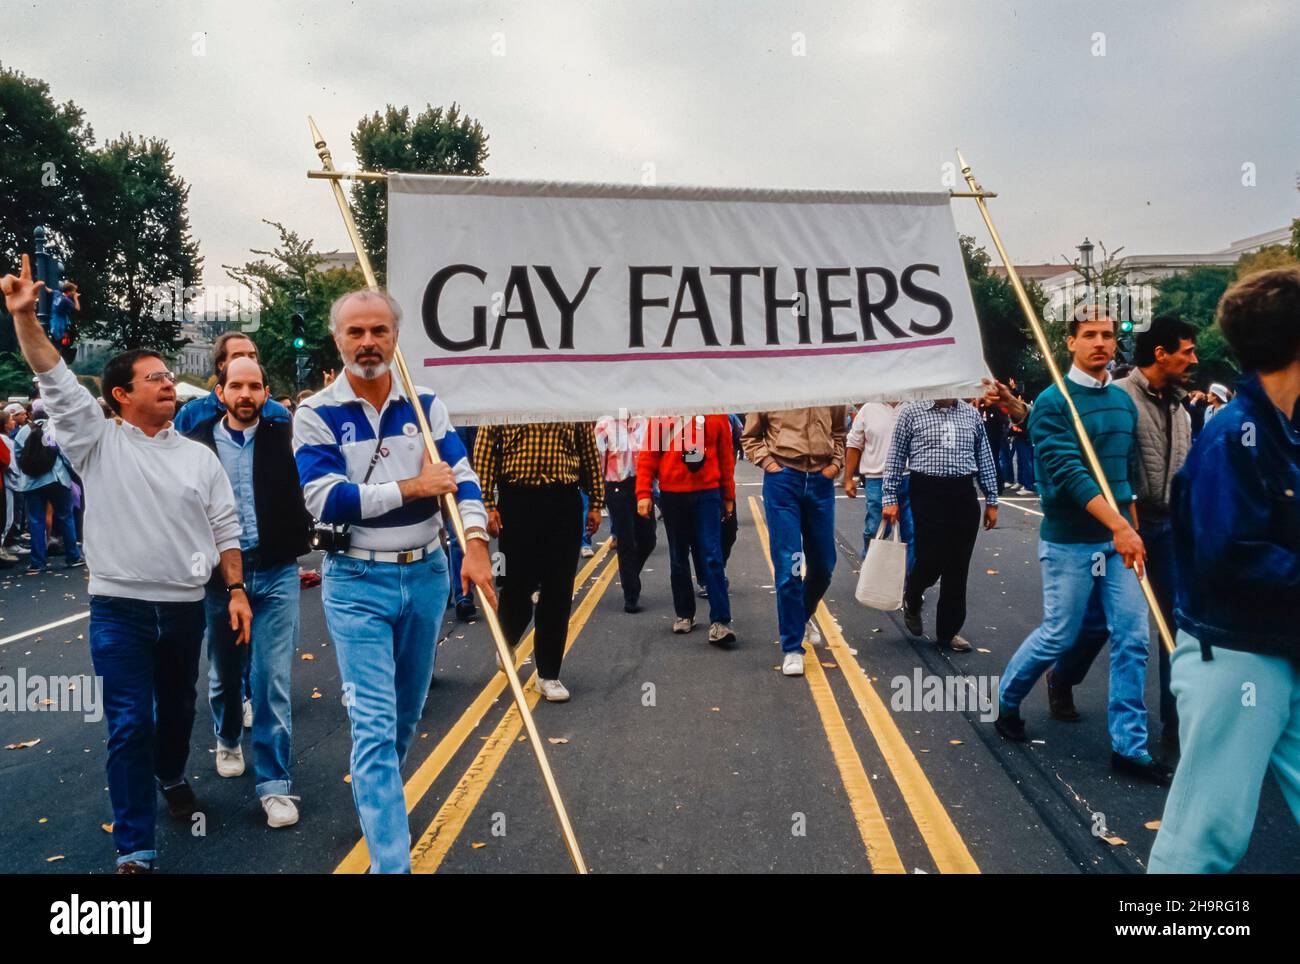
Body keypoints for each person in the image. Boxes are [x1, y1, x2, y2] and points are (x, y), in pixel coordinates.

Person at [2, 254, 251, 873]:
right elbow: (55, 375)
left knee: (178, 713)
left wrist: (237, 589)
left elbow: (225, 526)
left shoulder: (198, 458)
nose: (170, 383)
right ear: (120, 394)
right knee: (129, 723)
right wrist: (25, 317)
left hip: (186, 608)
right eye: (156, 377)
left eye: (171, 376)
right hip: (119, 610)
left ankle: (171, 773)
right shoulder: (95, 439)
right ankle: (134, 847)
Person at [294, 288, 495, 873]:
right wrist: (411, 488)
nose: (367, 342)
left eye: (378, 331)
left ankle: (375, 801)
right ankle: (392, 864)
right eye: (355, 332)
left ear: (395, 337)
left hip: (428, 573)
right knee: (376, 725)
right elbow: (327, 500)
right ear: (338, 340)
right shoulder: (315, 413)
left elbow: (460, 477)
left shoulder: (425, 403)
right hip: (357, 579)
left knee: (405, 718)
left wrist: (476, 546)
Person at [1148, 267, 1300, 872]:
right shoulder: (1234, 437)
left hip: (1281, 645)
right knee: (1204, 837)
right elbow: (1229, 555)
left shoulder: (1282, 431)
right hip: (1237, 656)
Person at [994, 306, 1171, 784]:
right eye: (1089, 334)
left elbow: (1126, 476)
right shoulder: (1053, 404)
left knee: (1133, 640)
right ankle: (1008, 701)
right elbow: (1070, 473)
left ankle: (1129, 748)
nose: (1100, 343)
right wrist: (1120, 526)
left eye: (1108, 335)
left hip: (1119, 542)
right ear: (1069, 343)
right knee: (1061, 633)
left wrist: (1131, 529)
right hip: (1071, 542)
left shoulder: (1121, 402)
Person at [1047, 315, 1198, 745]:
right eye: (1186, 351)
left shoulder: (1180, 406)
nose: (1193, 360)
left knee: (1175, 622)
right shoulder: (1117, 396)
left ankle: (1176, 724)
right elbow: (1078, 446)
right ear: (1160, 354)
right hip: (1121, 523)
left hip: (1167, 526)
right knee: (1099, 620)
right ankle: (1062, 677)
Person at [184, 357, 314, 828]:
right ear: (219, 392)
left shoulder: (288, 440)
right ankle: (227, 736)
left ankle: (275, 785)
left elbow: (311, 492)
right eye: (235, 385)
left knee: (272, 681)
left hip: (276, 571)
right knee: (223, 668)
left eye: (254, 386)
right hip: (219, 578)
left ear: (265, 392)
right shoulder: (195, 446)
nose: (245, 394)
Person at [474, 420, 604, 700]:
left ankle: (548, 674)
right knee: (517, 583)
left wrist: (595, 503)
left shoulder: (569, 399)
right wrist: (486, 505)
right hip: (517, 500)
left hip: (563, 501)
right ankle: (507, 638)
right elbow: (484, 453)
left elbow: (589, 452)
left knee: (558, 589)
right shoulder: (504, 398)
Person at [882, 398, 999, 652]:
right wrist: (889, 497)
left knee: (958, 566)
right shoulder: (911, 412)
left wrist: (992, 498)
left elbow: (985, 457)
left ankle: (948, 632)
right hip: (927, 491)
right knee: (930, 559)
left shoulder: (971, 414)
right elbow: (896, 456)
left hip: (962, 492)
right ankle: (912, 598)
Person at [742, 407, 846, 677]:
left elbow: (838, 431)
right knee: (789, 566)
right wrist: (769, 465)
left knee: (824, 565)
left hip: (821, 480)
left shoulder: (829, 387)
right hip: (783, 479)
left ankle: (800, 616)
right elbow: (750, 436)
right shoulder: (771, 386)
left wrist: (835, 464)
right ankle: (792, 647)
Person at [637, 414, 736, 645]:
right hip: (673, 495)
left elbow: (726, 456)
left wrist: (728, 495)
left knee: (712, 555)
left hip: (707, 493)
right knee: (678, 556)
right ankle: (684, 613)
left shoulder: (716, 414)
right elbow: (648, 456)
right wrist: (643, 493)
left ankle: (720, 621)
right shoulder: (663, 414)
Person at [13, 398, 83, 575]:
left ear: (32, 414)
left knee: (36, 520)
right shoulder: (53, 430)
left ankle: (38, 562)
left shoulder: (23, 432)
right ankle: (73, 556)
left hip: (31, 482)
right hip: (56, 478)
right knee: (66, 516)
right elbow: (63, 454)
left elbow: (18, 455)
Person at [595, 412, 656, 613]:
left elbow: (654, 455)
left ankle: (630, 576)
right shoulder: (605, 425)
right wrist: (598, 495)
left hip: (642, 485)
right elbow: (597, 462)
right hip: (617, 488)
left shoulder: (644, 422)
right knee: (626, 540)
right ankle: (631, 594)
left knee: (648, 539)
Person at [173, 332, 291, 434]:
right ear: (221, 365)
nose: (246, 360)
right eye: (238, 356)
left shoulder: (279, 413)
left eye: (251, 356)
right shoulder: (192, 413)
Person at [843, 400, 913, 567]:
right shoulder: (868, 409)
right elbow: (854, 445)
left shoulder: (912, 405)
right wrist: (848, 479)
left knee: (911, 531)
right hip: (876, 478)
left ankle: (909, 584)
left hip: (908, 476)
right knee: (876, 528)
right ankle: (871, 565)